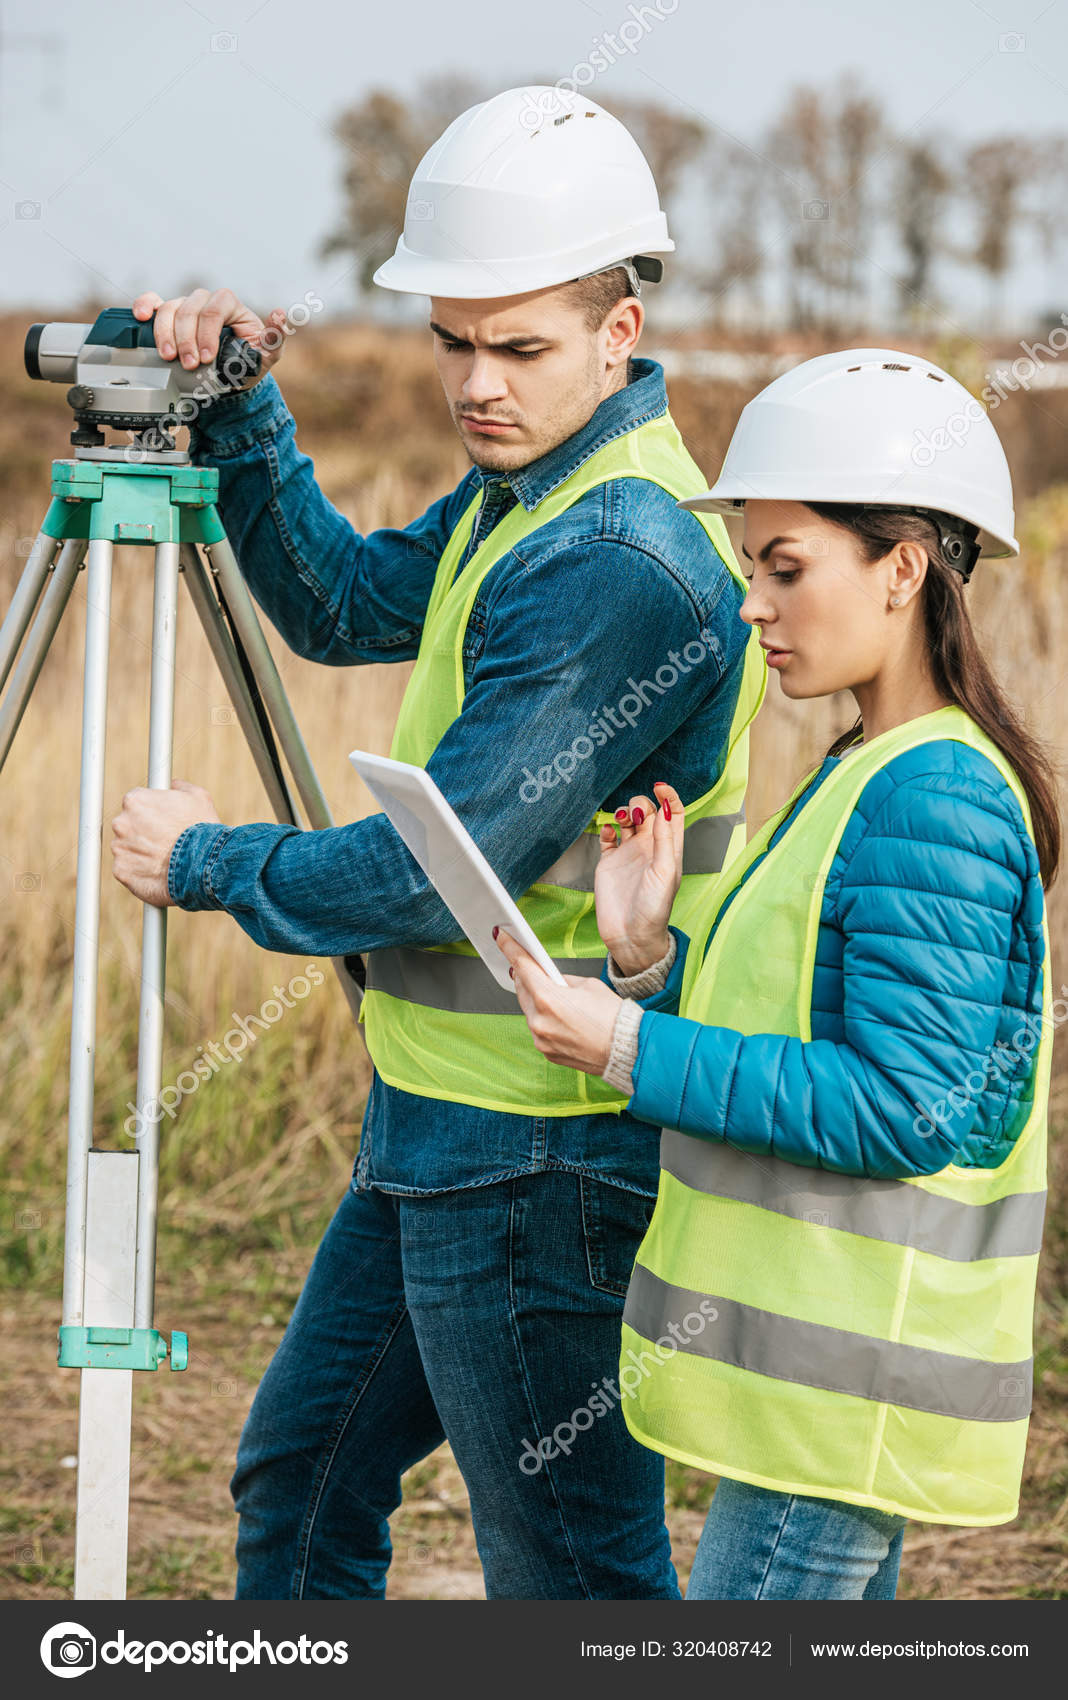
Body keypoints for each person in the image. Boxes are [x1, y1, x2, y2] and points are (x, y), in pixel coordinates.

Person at [109, 86, 766, 1599]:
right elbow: (341, 605)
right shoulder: (521, 498)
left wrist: (217, 862)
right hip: (437, 1126)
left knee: (570, 1574)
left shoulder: (616, 558)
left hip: (542, 1153)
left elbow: (427, 871)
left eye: (518, 347)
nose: (476, 382)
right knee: (301, 1486)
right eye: (454, 340)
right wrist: (241, 409)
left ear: (620, 329)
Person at [495, 346, 1058, 1601]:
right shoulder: (875, 766)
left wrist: (623, 1050)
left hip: (839, 1404)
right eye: (754, 567)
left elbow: (898, 1106)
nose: (753, 604)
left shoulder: (938, 793)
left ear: (904, 566)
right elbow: (797, 1026)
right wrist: (646, 960)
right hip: (815, 1398)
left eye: (785, 568)